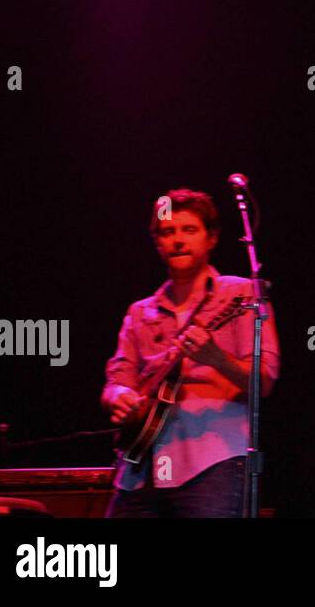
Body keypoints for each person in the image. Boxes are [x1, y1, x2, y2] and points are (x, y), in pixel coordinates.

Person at [102, 188, 279, 517]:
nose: (178, 240)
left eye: (189, 230)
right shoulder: (140, 312)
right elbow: (115, 382)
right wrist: (119, 397)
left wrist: (217, 360)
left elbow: (265, 380)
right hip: (140, 470)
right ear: (157, 243)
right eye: (168, 232)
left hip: (213, 464)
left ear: (211, 238)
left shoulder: (241, 294)